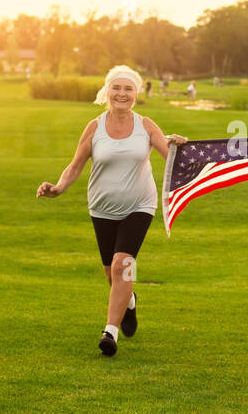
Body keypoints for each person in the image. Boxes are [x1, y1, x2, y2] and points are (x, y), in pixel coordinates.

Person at [36, 65, 186, 356]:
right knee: (111, 274)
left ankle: (110, 333)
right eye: (116, 88)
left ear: (136, 94)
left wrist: (180, 147)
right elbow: (76, 164)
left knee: (122, 265)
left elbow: (171, 159)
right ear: (107, 91)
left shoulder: (146, 125)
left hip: (140, 205)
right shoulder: (95, 127)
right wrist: (58, 187)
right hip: (102, 208)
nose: (122, 93)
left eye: (128, 89)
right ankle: (129, 303)